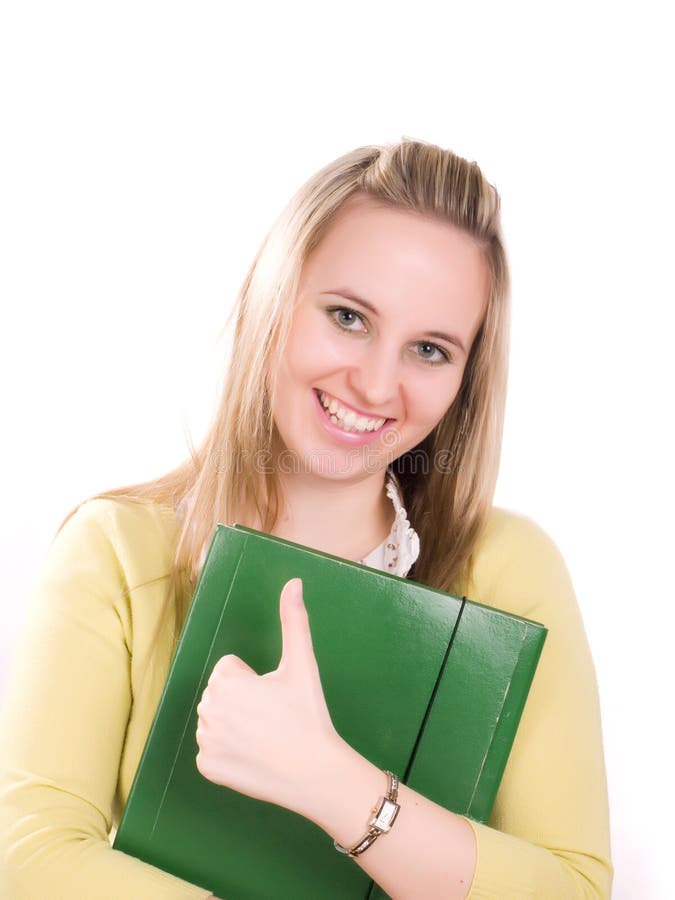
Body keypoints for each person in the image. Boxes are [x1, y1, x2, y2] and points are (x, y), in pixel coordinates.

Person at [0, 140, 612, 898]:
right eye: (348, 317)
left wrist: (332, 783)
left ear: (465, 378)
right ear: (274, 297)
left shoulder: (508, 566)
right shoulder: (120, 549)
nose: (376, 383)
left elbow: (574, 888)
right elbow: (30, 858)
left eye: (429, 348)